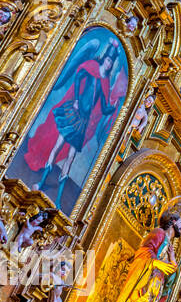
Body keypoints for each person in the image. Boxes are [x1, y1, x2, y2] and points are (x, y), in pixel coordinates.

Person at [19, 43, 126, 208]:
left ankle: (58, 200)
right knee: (57, 146)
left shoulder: (105, 82)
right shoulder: (91, 68)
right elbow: (77, 77)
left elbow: (104, 107)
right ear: (105, 58)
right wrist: (76, 99)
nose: (109, 63)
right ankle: (40, 183)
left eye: (112, 62)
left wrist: (116, 106)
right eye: (108, 60)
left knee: (70, 157)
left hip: (83, 121)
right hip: (73, 114)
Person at [101, 210, 181, 302]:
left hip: (156, 285)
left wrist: (172, 260)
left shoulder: (170, 247)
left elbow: (171, 274)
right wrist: (154, 263)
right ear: (174, 222)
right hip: (146, 281)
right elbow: (144, 252)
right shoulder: (159, 233)